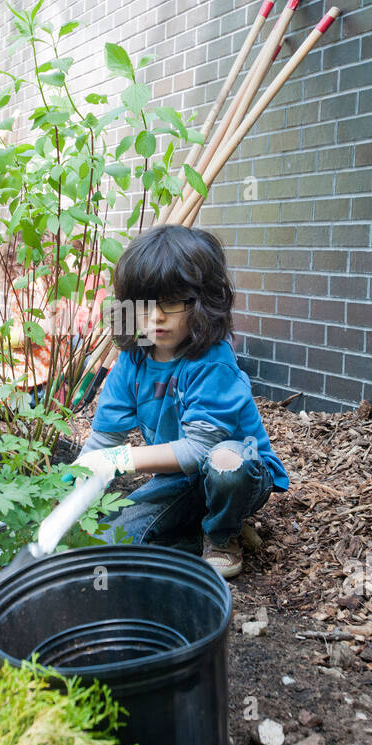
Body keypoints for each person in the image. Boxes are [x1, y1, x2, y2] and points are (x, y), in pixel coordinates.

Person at [71, 225, 288, 579]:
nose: (155, 317)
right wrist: (72, 489)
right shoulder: (132, 360)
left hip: (237, 475)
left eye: (171, 302)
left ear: (204, 302)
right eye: (145, 304)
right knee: (113, 535)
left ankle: (222, 534)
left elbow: (200, 449)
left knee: (224, 462)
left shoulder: (212, 360)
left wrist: (119, 460)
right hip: (178, 480)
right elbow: (103, 440)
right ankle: (195, 530)